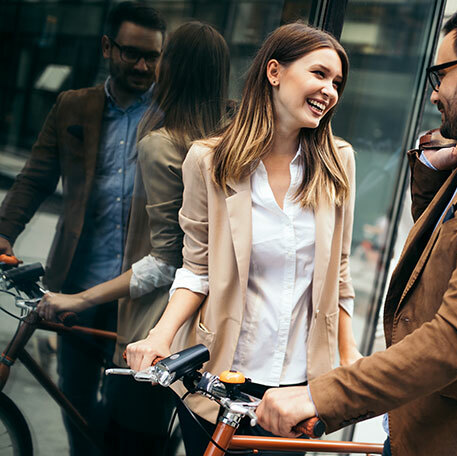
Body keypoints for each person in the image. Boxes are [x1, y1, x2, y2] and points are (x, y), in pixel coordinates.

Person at [256, 3, 457, 456]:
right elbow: (440, 259)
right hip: (423, 427)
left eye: (440, 75)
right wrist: (431, 170)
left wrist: (318, 395)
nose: (434, 94)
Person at [126, 22, 361, 456]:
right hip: (223, 377)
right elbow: (196, 268)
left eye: (337, 82)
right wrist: (160, 335)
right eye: (319, 74)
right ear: (274, 72)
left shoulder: (338, 162)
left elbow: (340, 273)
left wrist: (349, 361)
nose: (330, 90)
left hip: (297, 389)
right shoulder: (208, 161)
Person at [37, 21, 231, 454]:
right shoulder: (231, 139)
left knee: (128, 441)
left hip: (158, 326)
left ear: (171, 69)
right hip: (215, 327)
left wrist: (78, 299)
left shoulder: (162, 144)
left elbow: (166, 261)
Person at [0, 3, 165, 454]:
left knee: (128, 407)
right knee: (72, 395)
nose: (143, 65)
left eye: (152, 56)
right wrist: (4, 232)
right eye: (132, 53)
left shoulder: (172, 115)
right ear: (107, 48)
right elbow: (35, 176)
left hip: (142, 296)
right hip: (76, 282)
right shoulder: (75, 105)